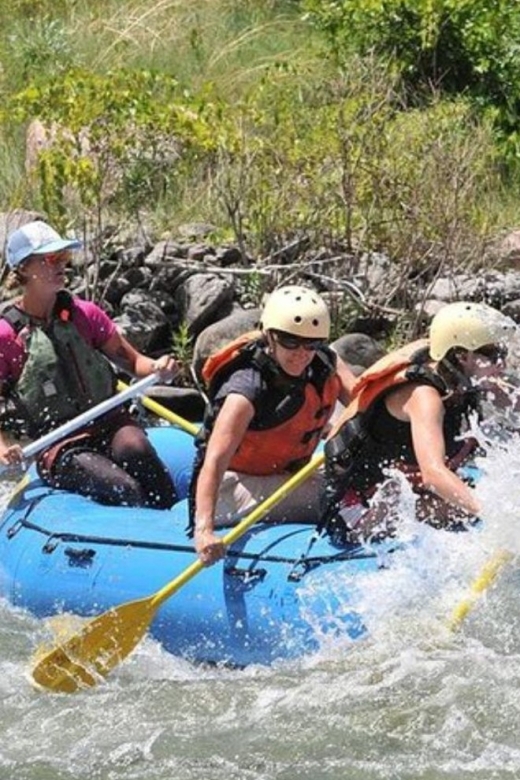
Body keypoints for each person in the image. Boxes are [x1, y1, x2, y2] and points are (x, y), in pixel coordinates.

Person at [0, 219, 179, 508]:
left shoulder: (85, 314)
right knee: (124, 488)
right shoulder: (7, 336)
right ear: (23, 268)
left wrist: (159, 367)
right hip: (58, 443)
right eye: (51, 258)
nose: (62, 264)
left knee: (139, 451)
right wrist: (3, 447)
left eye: (64, 256)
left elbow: (134, 362)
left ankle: (176, 521)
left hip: (108, 421)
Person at [323, 300, 518, 543]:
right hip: (357, 509)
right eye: (493, 355)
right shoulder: (423, 397)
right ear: (461, 356)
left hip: (412, 493)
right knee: (479, 512)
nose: (502, 364)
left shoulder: (468, 380)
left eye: (502, 354)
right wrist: (495, 517)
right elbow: (433, 475)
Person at [191, 284, 358, 565]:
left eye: (312, 344)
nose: (302, 352)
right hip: (230, 488)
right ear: (270, 336)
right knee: (335, 497)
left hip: (282, 476)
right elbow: (215, 461)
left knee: (361, 484)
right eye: (290, 341)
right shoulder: (246, 389)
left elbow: (364, 402)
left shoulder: (325, 361)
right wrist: (203, 531)